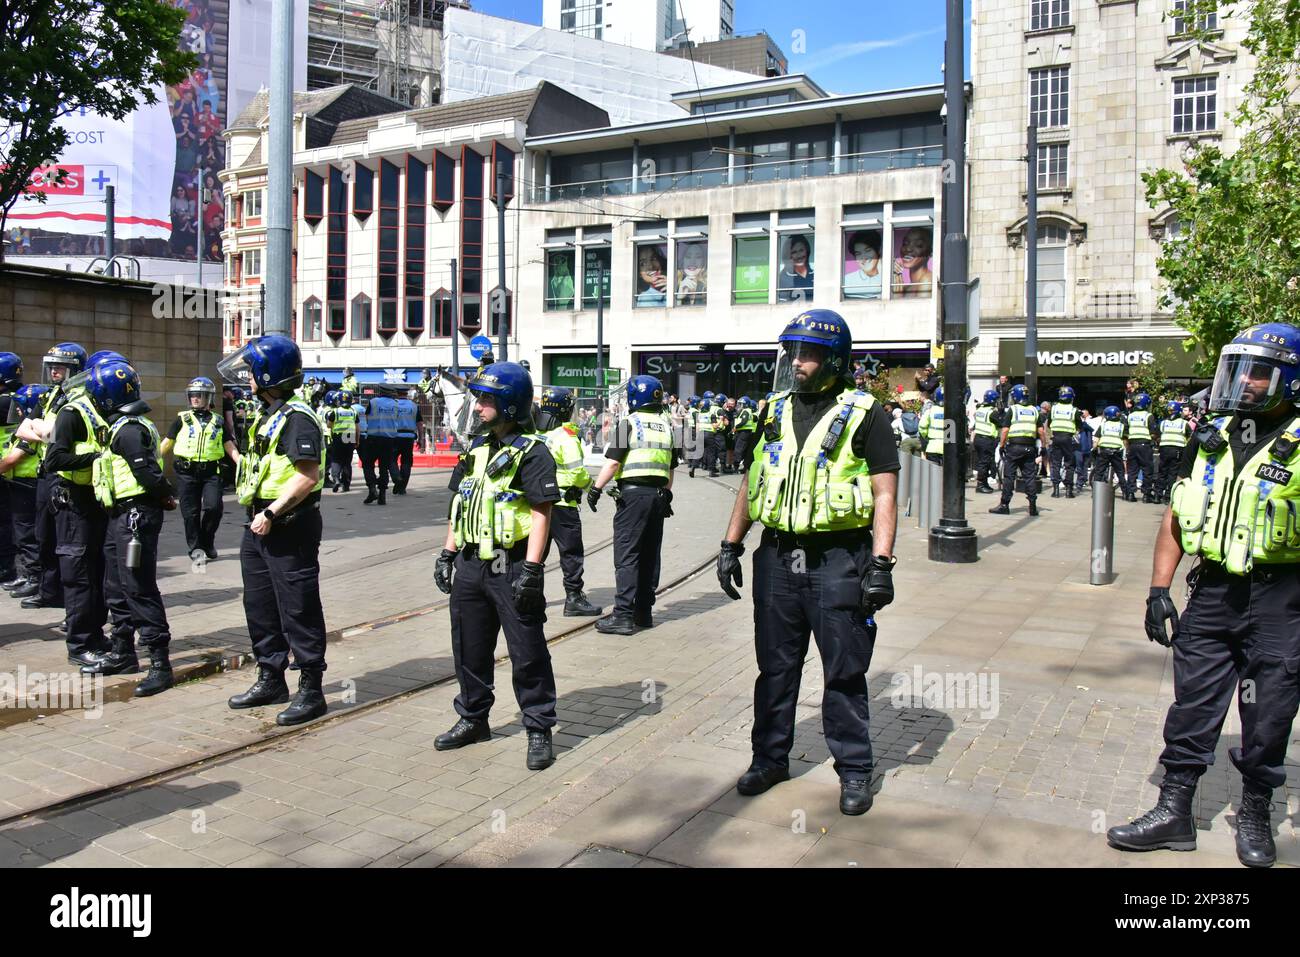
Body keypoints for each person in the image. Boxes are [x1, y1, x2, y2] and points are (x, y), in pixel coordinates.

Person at [1108, 323, 1300, 868]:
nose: (1246, 384)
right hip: (1213, 591)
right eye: (1238, 371)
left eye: (1258, 373)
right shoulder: (1212, 436)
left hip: (1281, 599)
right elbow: (1177, 512)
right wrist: (1157, 589)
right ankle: (1174, 811)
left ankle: (1256, 811)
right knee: (1192, 705)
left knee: (1268, 713)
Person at [716, 308, 899, 816]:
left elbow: (885, 493)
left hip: (839, 559)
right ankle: (769, 759)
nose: (797, 362)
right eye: (793, 351)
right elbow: (754, 481)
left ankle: (855, 770)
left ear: (835, 360)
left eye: (809, 353)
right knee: (774, 668)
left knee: (844, 670)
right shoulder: (771, 410)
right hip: (776, 557)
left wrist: (881, 563)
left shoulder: (867, 414)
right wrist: (731, 544)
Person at [433, 362, 559, 770]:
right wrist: (447, 552)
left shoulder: (534, 451)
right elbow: (460, 504)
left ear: (508, 404)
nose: (479, 404)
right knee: (469, 646)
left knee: (527, 650)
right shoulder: (475, 447)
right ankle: (473, 718)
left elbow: (542, 511)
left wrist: (534, 570)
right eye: (479, 397)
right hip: (471, 563)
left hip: (512, 564)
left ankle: (538, 727)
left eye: (487, 399)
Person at [220, 335, 330, 727]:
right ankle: (270, 677)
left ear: (269, 374)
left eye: (252, 370)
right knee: (260, 605)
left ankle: (311, 689)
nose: (247, 376)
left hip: (288, 523)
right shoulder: (270, 414)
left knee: (298, 606)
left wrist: (271, 511)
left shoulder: (298, 418)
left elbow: (307, 476)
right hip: (260, 523)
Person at [81, 361, 178, 697]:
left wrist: (165, 496)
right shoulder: (120, 426)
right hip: (118, 514)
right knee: (115, 585)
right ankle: (123, 652)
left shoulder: (130, 430)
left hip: (135, 515)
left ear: (105, 398)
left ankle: (160, 664)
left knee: (138, 587)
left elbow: (149, 474)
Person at [40, 345, 115, 666]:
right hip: (74, 504)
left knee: (98, 572)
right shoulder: (73, 411)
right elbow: (54, 458)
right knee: (79, 574)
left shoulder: (101, 409)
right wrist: (96, 458)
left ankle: (96, 635)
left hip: (96, 501)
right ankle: (79, 643)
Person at [588, 375, 679, 635]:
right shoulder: (667, 426)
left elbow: (614, 463)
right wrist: (666, 494)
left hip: (633, 497)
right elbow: (671, 469)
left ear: (633, 398)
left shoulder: (629, 423)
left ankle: (623, 615)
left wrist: (596, 489)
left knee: (628, 555)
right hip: (658, 497)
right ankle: (643, 612)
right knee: (651, 554)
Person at [535, 387, 600, 617]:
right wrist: (593, 487)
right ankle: (573, 598)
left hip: (539, 504)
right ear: (566, 410)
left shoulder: (537, 435)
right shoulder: (566, 437)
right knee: (571, 553)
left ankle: (532, 598)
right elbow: (577, 474)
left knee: (537, 554)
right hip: (564, 505)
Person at [160, 376, 229, 562]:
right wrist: (152, 462)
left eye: (199, 395)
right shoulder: (181, 419)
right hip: (186, 472)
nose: (195, 398)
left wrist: (242, 463)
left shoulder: (219, 421)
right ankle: (196, 548)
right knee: (190, 514)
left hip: (211, 473)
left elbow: (229, 444)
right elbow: (167, 443)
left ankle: (207, 541)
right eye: (192, 395)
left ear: (209, 398)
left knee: (214, 508)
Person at [1, 384, 48, 600]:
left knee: (28, 535)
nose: (16, 411)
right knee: (21, 534)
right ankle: (28, 575)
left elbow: (12, 459)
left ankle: (35, 578)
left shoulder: (31, 432)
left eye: (20, 408)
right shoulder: (26, 428)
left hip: (28, 486)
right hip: (21, 485)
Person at [989, 384, 1047, 516]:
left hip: (1014, 447)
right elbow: (1041, 431)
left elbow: (1005, 430)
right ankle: (1032, 506)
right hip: (1030, 447)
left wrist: (1002, 445)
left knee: (1009, 476)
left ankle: (1004, 505)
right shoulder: (1034, 410)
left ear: (1015, 396)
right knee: (1030, 477)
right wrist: (1043, 447)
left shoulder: (1013, 410)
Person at [0, 353, 23, 590]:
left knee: (5, 523)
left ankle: (6, 569)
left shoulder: (4, 401)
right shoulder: (15, 397)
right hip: (9, 467)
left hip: (6, 467)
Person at [1047, 385, 1085, 498]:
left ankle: (1056, 490)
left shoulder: (1053, 408)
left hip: (1056, 437)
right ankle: (1069, 490)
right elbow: (1080, 425)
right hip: (1068, 438)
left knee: (1056, 463)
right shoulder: (1074, 410)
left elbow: (1049, 423)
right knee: (1069, 464)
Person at [362, 390, 399, 505]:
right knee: (384, 467)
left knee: (367, 464)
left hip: (373, 438)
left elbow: (367, 417)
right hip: (389, 440)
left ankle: (372, 488)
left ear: (380, 392)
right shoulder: (395, 404)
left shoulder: (373, 402)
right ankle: (382, 495)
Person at [1153, 401, 1191, 504]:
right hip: (1177, 451)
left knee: (1162, 473)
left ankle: (1157, 495)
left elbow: (1156, 436)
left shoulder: (1163, 423)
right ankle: (1168, 497)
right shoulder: (1184, 423)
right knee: (1172, 474)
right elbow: (1190, 437)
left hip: (1164, 450)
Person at [1126, 392, 1158, 503]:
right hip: (1145, 446)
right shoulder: (1148, 416)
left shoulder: (1130, 416)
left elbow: (1126, 433)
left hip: (1132, 445)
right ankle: (1146, 495)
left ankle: (1130, 494)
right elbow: (1153, 433)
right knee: (1147, 470)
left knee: (1132, 470)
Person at [1093, 406, 1130, 496]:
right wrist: (1127, 449)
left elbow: (1096, 439)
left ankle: (1096, 493)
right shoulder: (1122, 426)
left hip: (1104, 451)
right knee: (1120, 472)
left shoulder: (1103, 425)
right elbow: (1125, 440)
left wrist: (1094, 448)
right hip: (1116, 452)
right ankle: (1125, 493)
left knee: (1099, 472)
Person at [325, 390, 357, 493]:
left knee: (336, 460)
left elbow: (329, 425)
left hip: (338, 437)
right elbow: (357, 428)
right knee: (347, 461)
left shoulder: (335, 411)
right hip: (350, 436)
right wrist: (357, 441)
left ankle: (336, 479)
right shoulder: (353, 411)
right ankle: (346, 484)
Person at [971, 388, 1001, 493]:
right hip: (987, 440)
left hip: (978, 438)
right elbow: (1001, 423)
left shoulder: (980, 410)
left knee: (982, 461)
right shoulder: (992, 412)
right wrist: (1001, 412)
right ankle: (980, 485)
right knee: (985, 463)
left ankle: (984, 483)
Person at [392, 390, 421, 495]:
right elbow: (419, 423)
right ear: (406, 394)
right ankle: (402, 487)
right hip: (409, 437)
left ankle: (397, 479)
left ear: (397, 393)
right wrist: (421, 438)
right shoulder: (414, 405)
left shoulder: (393, 405)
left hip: (395, 436)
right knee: (406, 462)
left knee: (392, 460)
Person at [893, 228, 933, 297]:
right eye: (905, 243)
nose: (908, 249)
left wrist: (898, 297)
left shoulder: (927, 281)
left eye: (918, 245)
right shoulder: (907, 288)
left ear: (930, 252)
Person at [843, 231, 884, 300]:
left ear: (878, 250)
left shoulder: (888, 278)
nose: (863, 258)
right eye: (858, 254)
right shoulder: (846, 280)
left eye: (868, 250)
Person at [777, 235, 814, 302]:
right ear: (789, 255)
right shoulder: (782, 278)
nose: (799, 255)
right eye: (794, 252)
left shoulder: (816, 275)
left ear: (807, 251)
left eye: (801, 250)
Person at [675, 241, 708, 306]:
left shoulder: (707, 288)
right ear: (683, 261)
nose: (692, 261)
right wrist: (679, 299)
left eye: (698, 257)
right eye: (688, 256)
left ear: (704, 262)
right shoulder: (674, 287)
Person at [919, 385, 945, 463]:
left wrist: (926, 436)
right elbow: (951, 434)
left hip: (932, 447)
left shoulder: (930, 411)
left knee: (933, 473)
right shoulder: (950, 412)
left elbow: (922, 427)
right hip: (947, 448)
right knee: (947, 473)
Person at [733, 396, 759, 471]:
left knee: (739, 449)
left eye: (741, 404)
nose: (740, 406)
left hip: (745, 432)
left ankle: (736, 466)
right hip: (746, 432)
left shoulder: (747, 411)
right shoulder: (747, 411)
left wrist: (735, 427)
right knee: (744, 450)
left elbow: (744, 422)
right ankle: (744, 467)